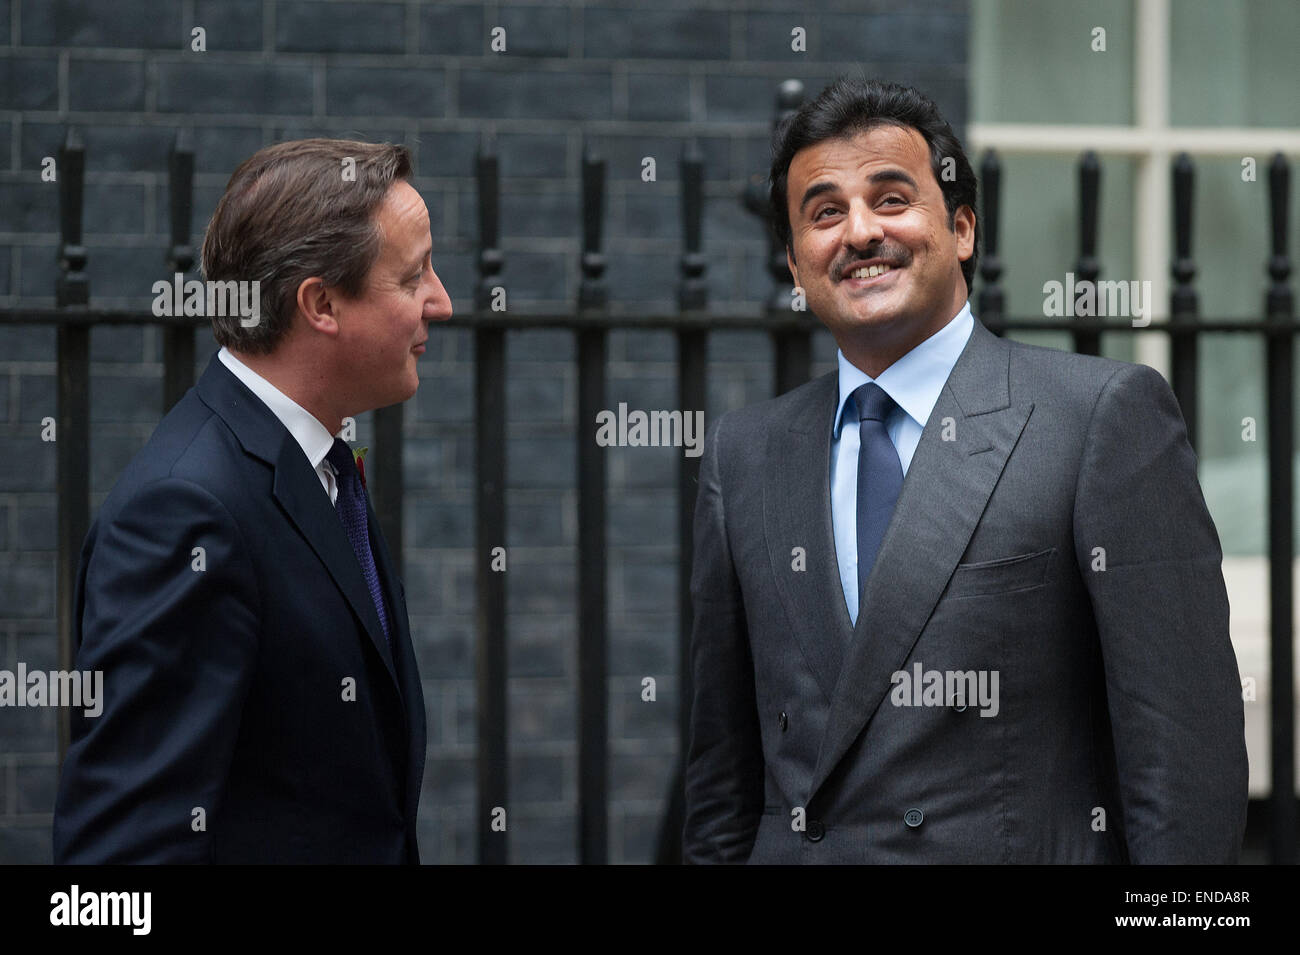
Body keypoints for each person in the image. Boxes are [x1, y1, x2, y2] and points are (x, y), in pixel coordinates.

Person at [682, 77, 1248, 863]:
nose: (858, 232)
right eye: (824, 212)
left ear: (962, 227)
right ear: (794, 261)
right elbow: (721, 774)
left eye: (890, 199)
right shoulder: (744, 454)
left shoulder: (1098, 418)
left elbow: (1183, 753)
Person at [53, 139, 452, 863]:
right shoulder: (185, 511)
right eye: (413, 275)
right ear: (321, 303)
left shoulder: (321, 461)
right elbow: (125, 858)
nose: (442, 303)